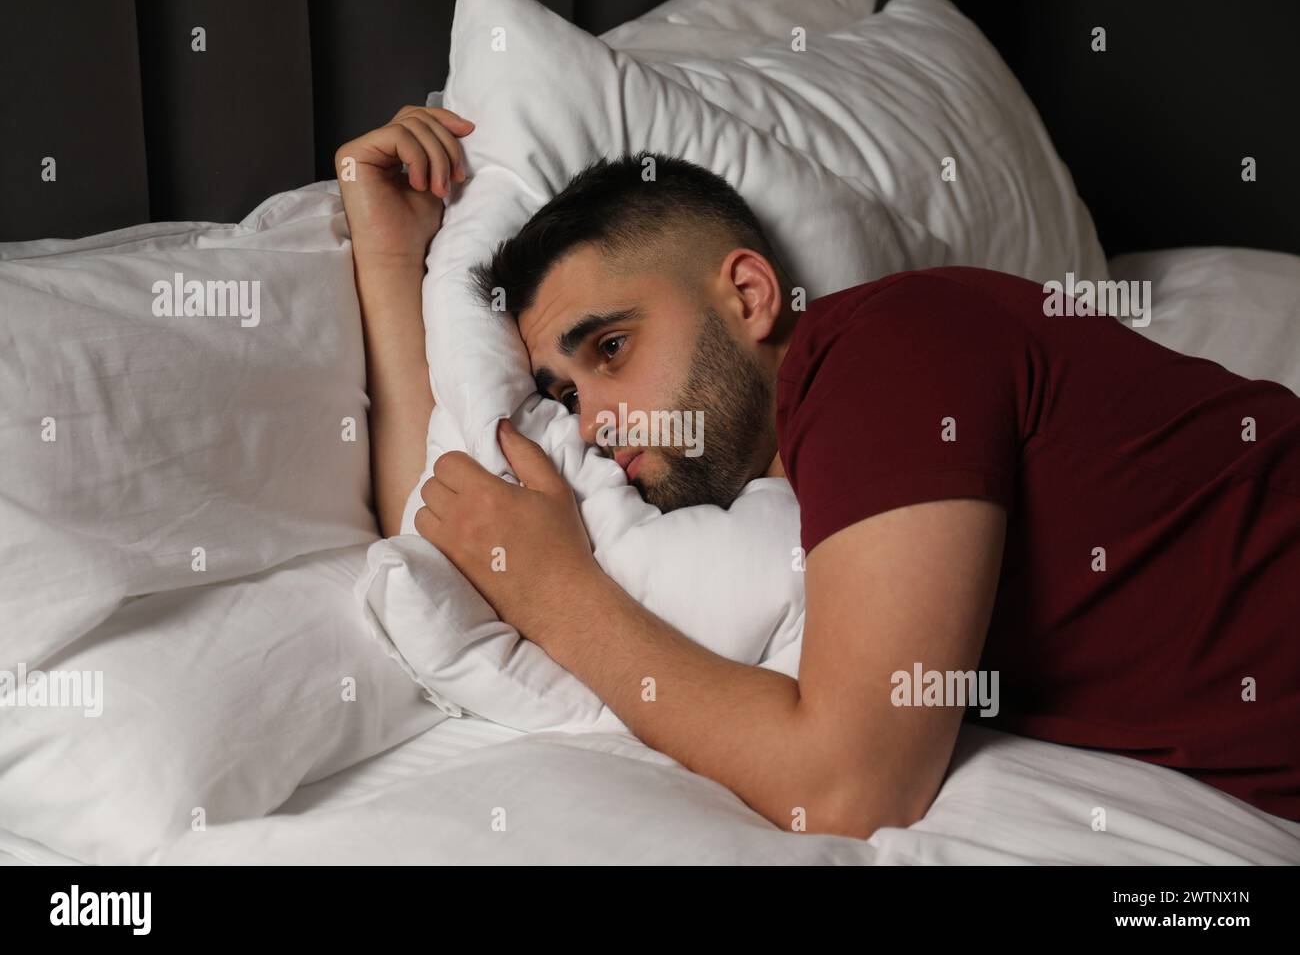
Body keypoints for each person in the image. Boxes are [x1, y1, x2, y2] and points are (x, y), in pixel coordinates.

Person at [336, 106, 1300, 836]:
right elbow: (447, 516)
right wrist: (387, 253)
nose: (595, 423)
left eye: (616, 348)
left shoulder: (886, 350)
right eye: (567, 392)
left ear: (750, 294)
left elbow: (850, 783)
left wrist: (553, 590)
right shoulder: (774, 488)